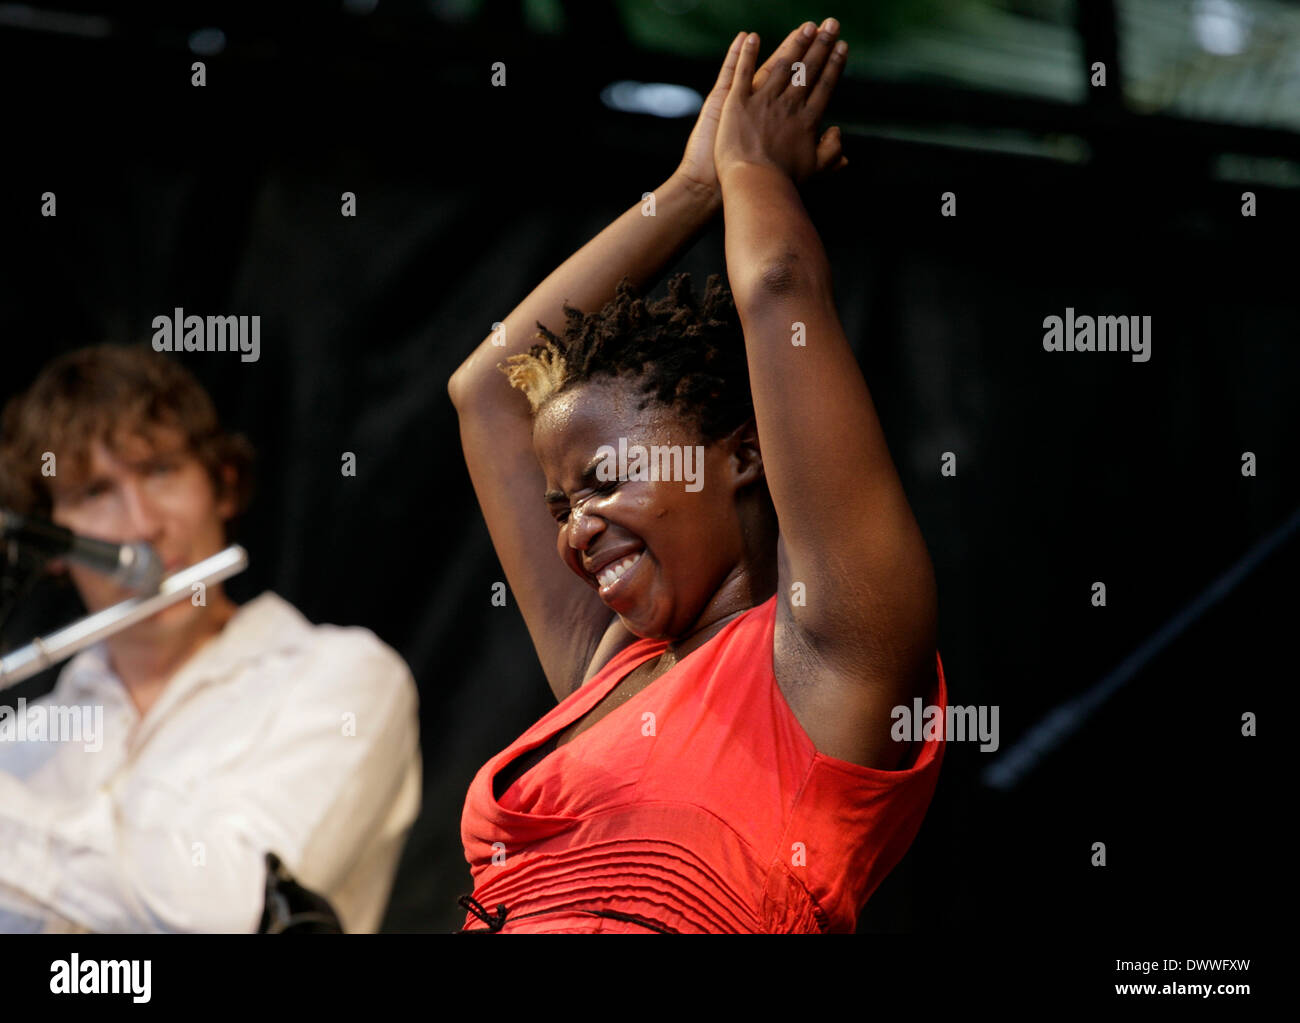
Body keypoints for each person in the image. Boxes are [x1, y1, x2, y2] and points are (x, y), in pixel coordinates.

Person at [448, 18, 947, 933]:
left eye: (604, 481)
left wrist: (752, 166)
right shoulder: (606, 666)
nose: (571, 528)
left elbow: (780, 286)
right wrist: (687, 189)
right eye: (562, 504)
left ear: (745, 454)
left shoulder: (830, 653)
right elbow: (488, 387)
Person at [0, 345, 421, 933]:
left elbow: (236, 910)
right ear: (50, 545)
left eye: (160, 470)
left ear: (222, 484)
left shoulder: (342, 677)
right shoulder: (19, 745)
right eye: (94, 492)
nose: (141, 526)